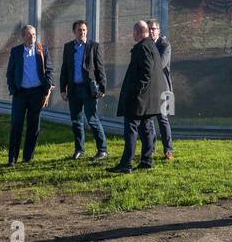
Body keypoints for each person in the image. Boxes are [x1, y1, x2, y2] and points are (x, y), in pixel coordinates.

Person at [111, 20, 168, 174]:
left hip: (140, 98)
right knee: (147, 127)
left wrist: (136, 90)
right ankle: (146, 161)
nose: (132, 34)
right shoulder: (151, 46)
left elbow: (147, 72)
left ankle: (126, 164)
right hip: (150, 98)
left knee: (130, 128)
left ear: (137, 32)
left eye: (133, 32)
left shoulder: (142, 47)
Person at [5, 24, 52, 166]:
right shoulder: (16, 52)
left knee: (34, 126)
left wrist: (47, 87)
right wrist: (13, 89)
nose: (32, 37)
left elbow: (49, 70)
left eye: (34, 34)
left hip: (37, 93)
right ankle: (12, 158)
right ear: (23, 36)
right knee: (16, 125)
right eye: (29, 34)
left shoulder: (42, 50)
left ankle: (28, 157)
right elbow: (10, 73)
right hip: (20, 94)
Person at [59, 20, 107, 160]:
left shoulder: (93, 46)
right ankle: (80, 149)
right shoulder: (68, 47)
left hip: (88, 89)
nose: (82, 32)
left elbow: (100, 68)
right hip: (73, 89)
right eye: (79, 30)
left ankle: (102, 149)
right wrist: (63, 89)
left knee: (92, 119)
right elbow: (64, 70)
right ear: (74, 32)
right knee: (76, 121)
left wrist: (102, 87)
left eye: (84, 30)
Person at [148, 18, 174, 160]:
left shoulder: (165, 44)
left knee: (163, 119)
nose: (152, 31)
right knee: (149, 119)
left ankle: (168, 150)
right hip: (149, 88)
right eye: (149, 29)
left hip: (163, 87)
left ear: (159, 30)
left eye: (154, 28)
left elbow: (161, 64)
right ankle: (151, 149)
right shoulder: (145, 44)